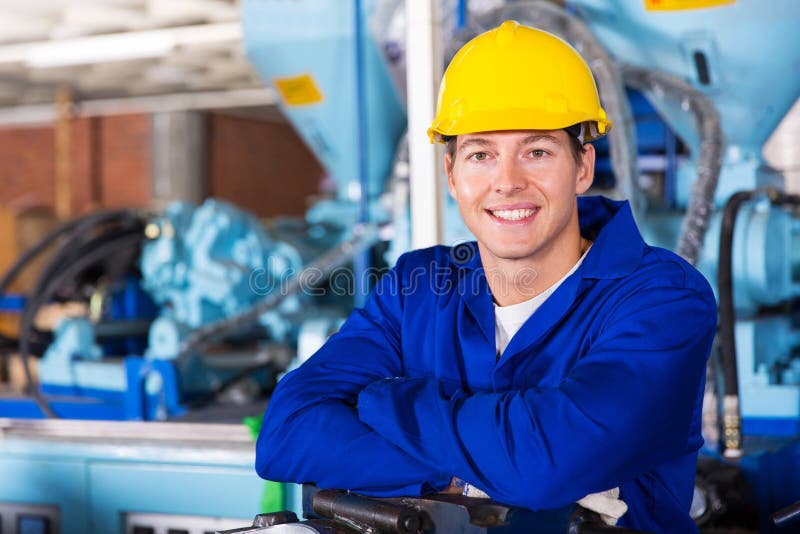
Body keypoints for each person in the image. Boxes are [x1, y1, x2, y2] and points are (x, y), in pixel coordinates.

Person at [256, 21, 716, 533]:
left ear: (582, 166)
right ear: (452, 175)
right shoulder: (418, 287)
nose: (508, 182)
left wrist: (384, 399)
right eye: (481, 155)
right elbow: (286, 433)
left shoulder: (662, 298)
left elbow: (545, 465)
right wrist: (465, 478)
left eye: (536, 152)